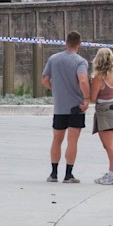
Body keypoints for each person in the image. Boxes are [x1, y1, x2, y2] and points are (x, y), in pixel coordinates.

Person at [42, 31, 90, 183]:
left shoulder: (53, 59)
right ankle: (68, 175)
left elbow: (45, 80)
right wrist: (87, 98)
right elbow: (83, 80)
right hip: (76, 107)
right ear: (79, 44)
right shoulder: (80, 62)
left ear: (66, 42)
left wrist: (55, 89)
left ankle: (53, 173)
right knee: (72, 141)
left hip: (59, 107)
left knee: (57, 139)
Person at [89, 47, 113, 186]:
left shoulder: (99, 77)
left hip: (105, 111)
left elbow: (93, 98)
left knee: (108, 145)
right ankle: (112, 172)